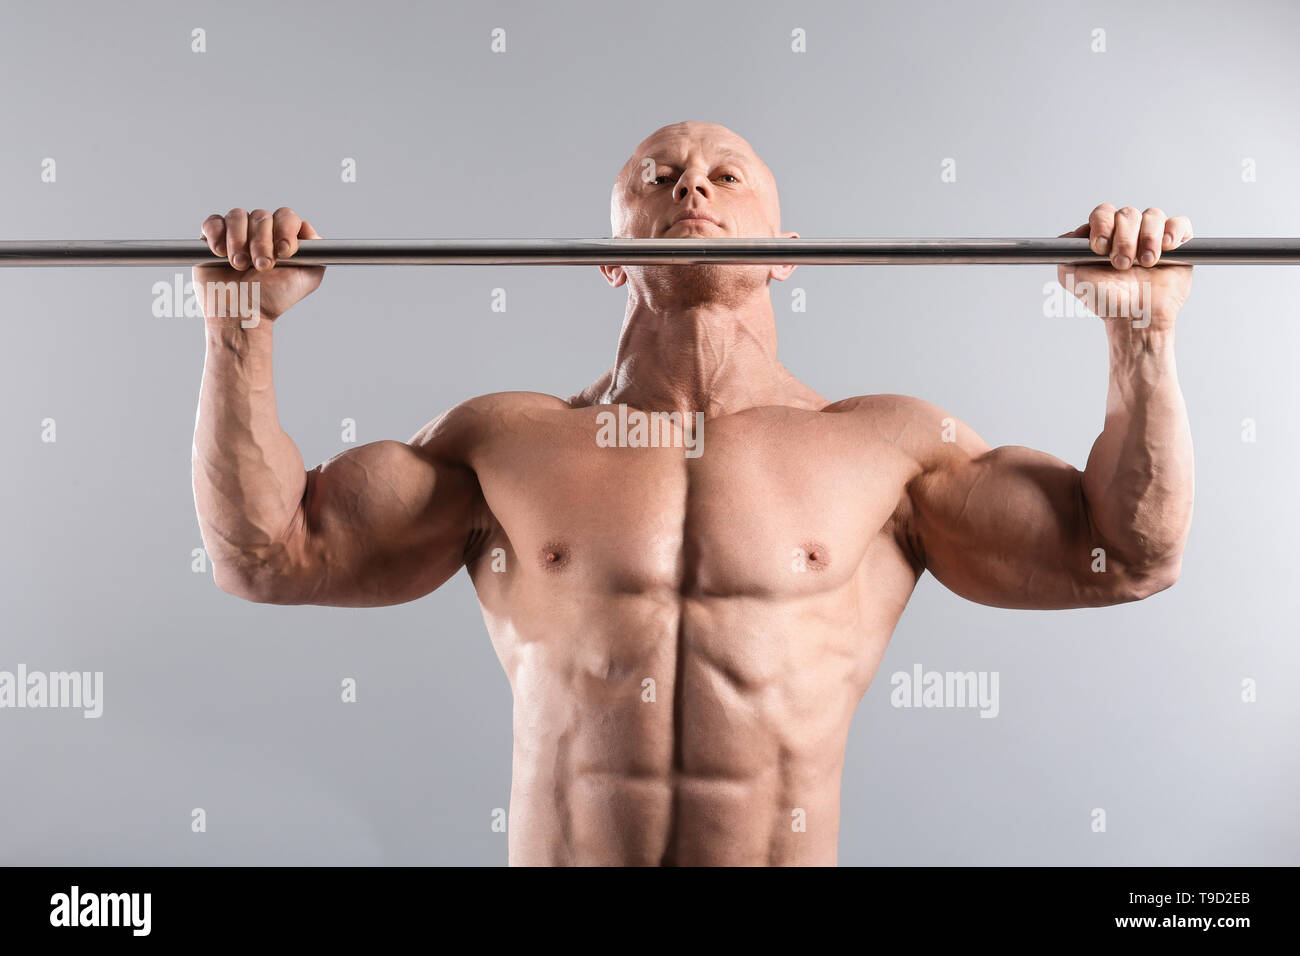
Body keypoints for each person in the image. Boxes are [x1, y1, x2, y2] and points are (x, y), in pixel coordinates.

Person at [192, 121, 1194, 865]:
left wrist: (1139, 334)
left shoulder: (888, 448)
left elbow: (1129, 553)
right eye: (659, 177)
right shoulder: (505, 442)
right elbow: (266, 555)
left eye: (725, 176)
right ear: (610, 254)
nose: (691, 188)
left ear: (782, 253)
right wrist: (241, 325)